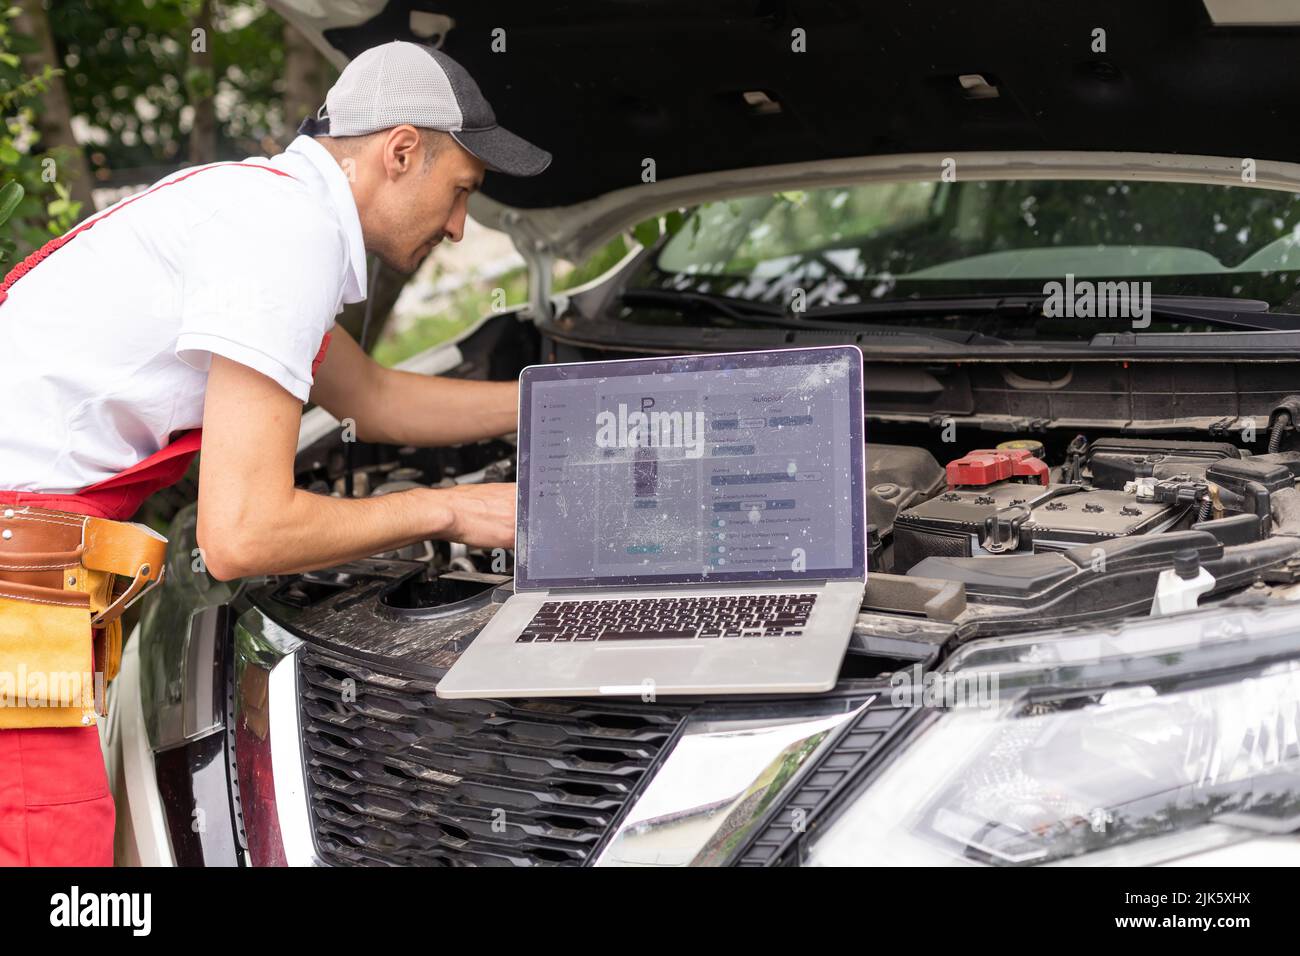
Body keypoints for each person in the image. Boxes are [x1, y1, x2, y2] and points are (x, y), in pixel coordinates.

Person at [0, 40, 550, 865]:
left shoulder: (262, 208)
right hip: (15, 583)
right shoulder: (285, 233)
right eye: (460, 191)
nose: (458, 225)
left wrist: (563, 408)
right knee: (51, 844)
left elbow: (373, 398)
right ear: (402, 151)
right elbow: (242, 535)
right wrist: (449, 508)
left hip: (32, 560)